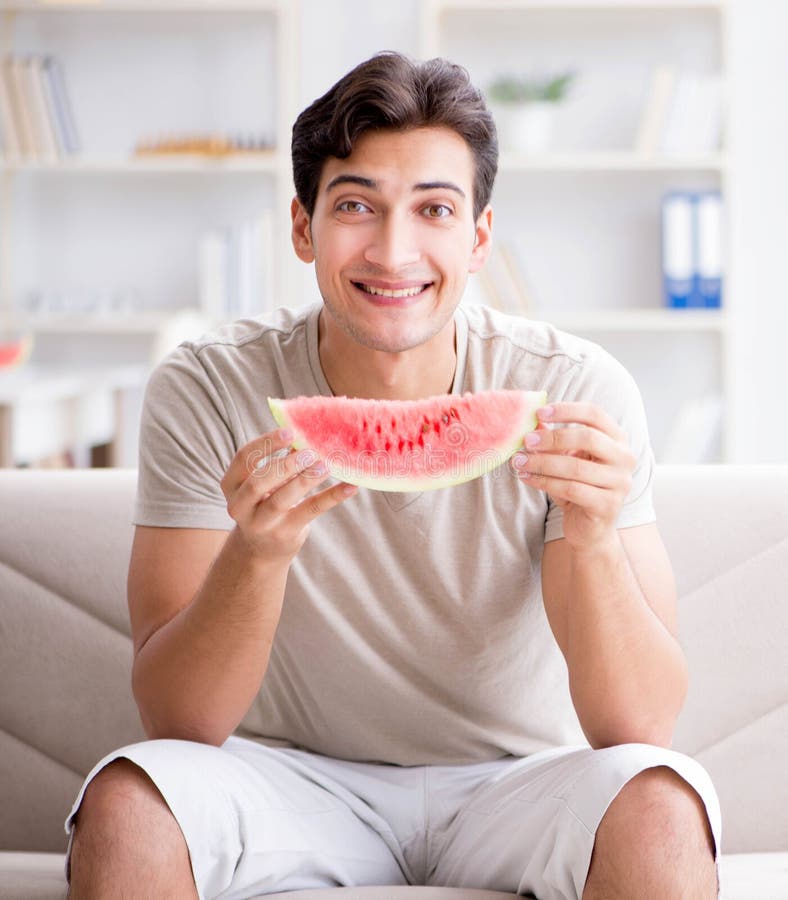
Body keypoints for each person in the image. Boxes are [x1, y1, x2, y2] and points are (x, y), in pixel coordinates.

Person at [65, 51, 721, 900]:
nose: (393, 249)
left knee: (662, 810)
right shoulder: (209, 386)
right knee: (127, 806)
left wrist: (592, 539)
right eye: (355, 206)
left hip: (521, 783)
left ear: (479, 237)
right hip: (290, 781)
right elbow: (178, 723)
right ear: (303, 227)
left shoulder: (572, 391)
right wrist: (256, 555)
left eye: (435, 209)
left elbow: (638, 726)